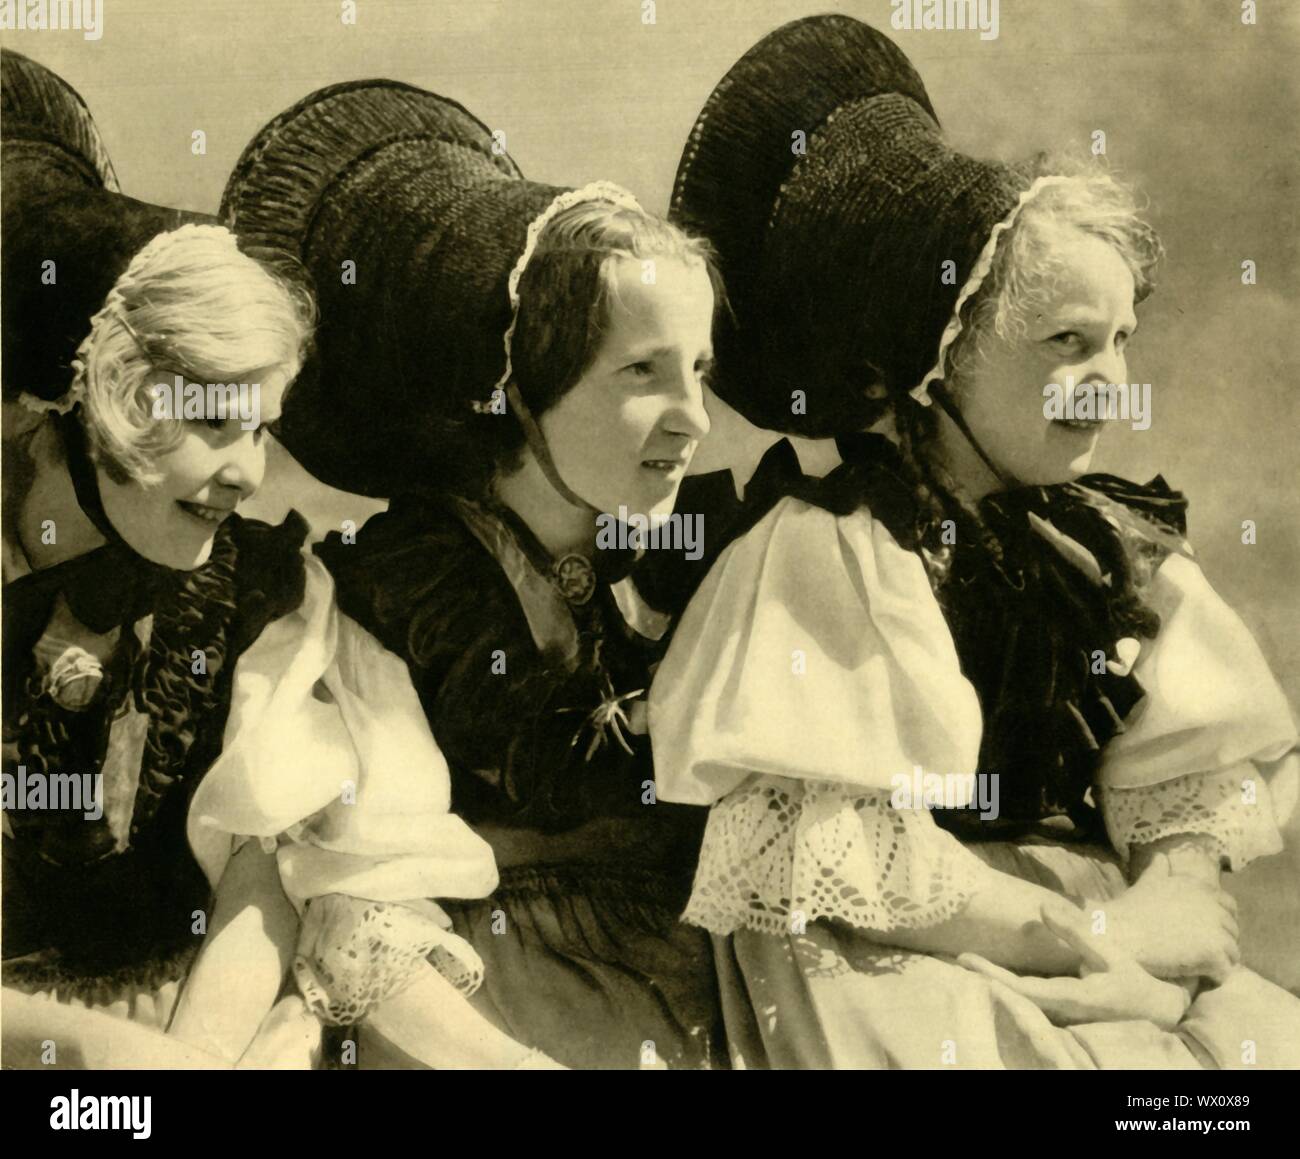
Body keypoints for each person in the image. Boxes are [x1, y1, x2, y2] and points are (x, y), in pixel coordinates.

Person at [646, 15, 1300, 1069]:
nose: (1110, 383)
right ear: (936, 355)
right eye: (1065, 344)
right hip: (906, 947)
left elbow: (1192, 771)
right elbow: (834, 853)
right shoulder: (833, 546)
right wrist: (1089, 936)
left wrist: (1173, 889)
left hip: (1100, 930)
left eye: (1120, 340)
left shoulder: (1098, 552)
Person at [1, 52, 539, 1070]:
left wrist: (189, 1066)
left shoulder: (263, 595)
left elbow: (267, 868)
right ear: (98, 401)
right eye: (214, 421)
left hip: (197, 1033)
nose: (248, 473)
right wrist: (111, 1061)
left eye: (264, 430)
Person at [221, 79, 728, 1068]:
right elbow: (360, 885)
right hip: (482, 976)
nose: (691, 418)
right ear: (523, 384)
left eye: (699, 371)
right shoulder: (410, 581)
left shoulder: (661, 554)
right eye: (641, 373)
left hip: (676, 954)